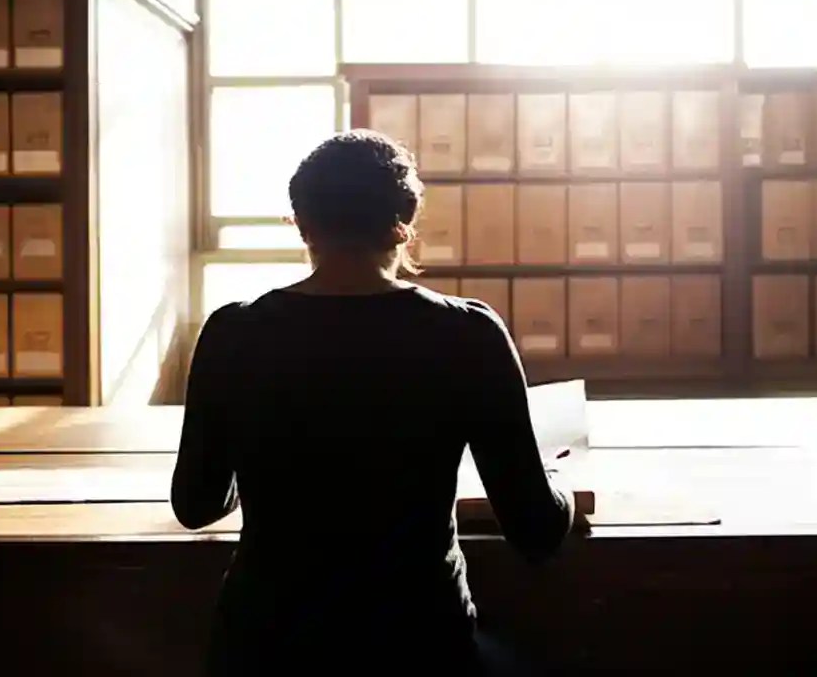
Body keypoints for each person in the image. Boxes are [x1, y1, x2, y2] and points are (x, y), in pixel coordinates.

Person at [171, 129, 577, 676]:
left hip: (265, 645)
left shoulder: (233, 332)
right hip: (417, 642)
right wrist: (560, 486)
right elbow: (535, 528)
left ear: (303, 225)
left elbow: (196, 506)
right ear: (403, 227)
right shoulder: (467, 334)